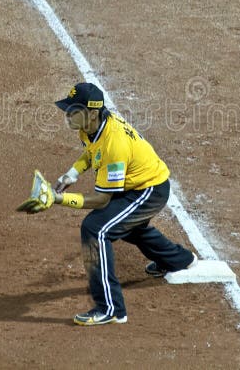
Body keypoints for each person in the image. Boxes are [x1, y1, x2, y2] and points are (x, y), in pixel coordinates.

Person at [49, 82, 197, 326]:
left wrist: (60, 199)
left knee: (96, 228)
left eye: (73, 110)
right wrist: (71, 174)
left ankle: (111, 308)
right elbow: (91, 152)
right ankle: (178, 260)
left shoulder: (114, 143)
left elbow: (101, 200)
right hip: (135, 185)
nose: (67, 115)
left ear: (92, 113)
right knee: (125, 226)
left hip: (149, 190)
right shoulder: (89, 127)